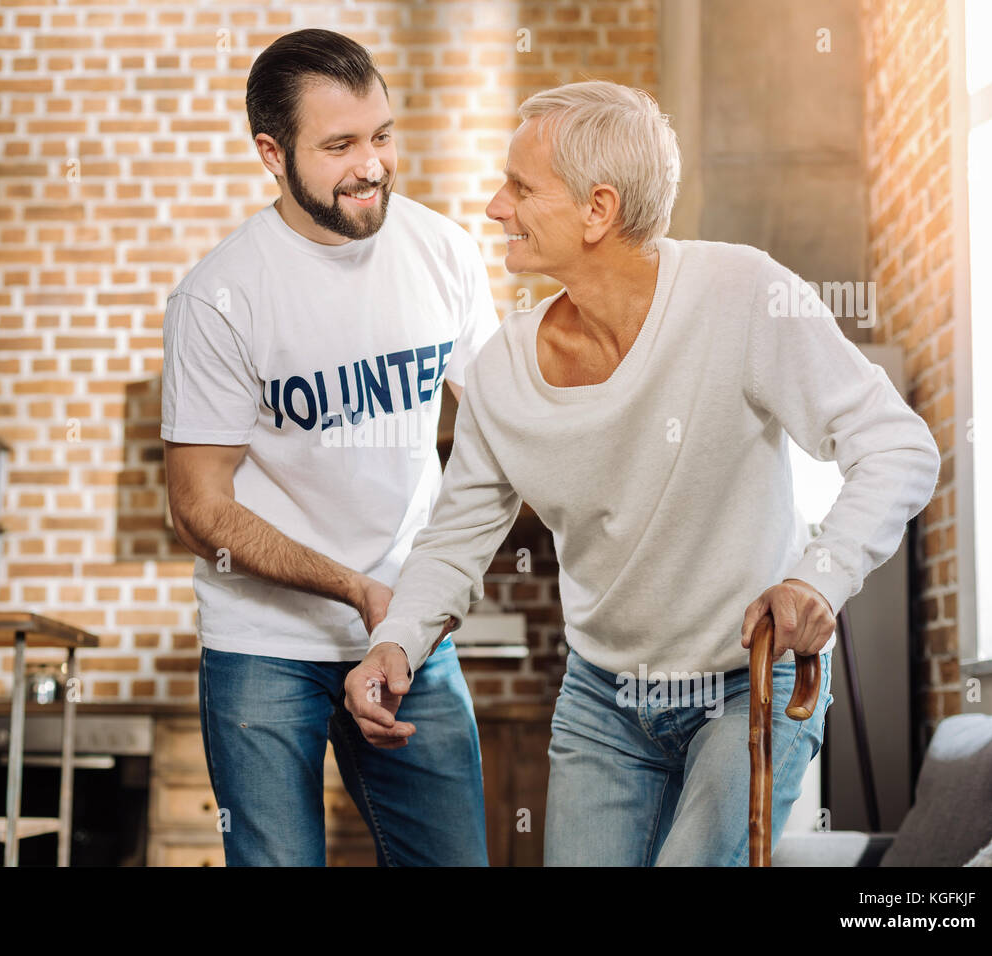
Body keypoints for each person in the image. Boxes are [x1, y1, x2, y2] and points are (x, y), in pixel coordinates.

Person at [343, 80, 941, 866]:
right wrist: (395, 642)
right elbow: (454, 543)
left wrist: (818, 580)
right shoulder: (502, 374)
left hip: (747, 685)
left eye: (521, 187)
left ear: (598, 209)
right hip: (603, 702)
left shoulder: (741, 296)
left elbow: (898, 446)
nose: (495, 206)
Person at [161, 29, 498, 866]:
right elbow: (199, 507)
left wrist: (416, 597)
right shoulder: (220, 297)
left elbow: (507, 429)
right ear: (272, 154)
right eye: (340, 144)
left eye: (382, 135)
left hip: (408, 631)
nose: (372, 164)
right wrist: (355, 588)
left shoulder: (446, 253)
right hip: (263, 643)